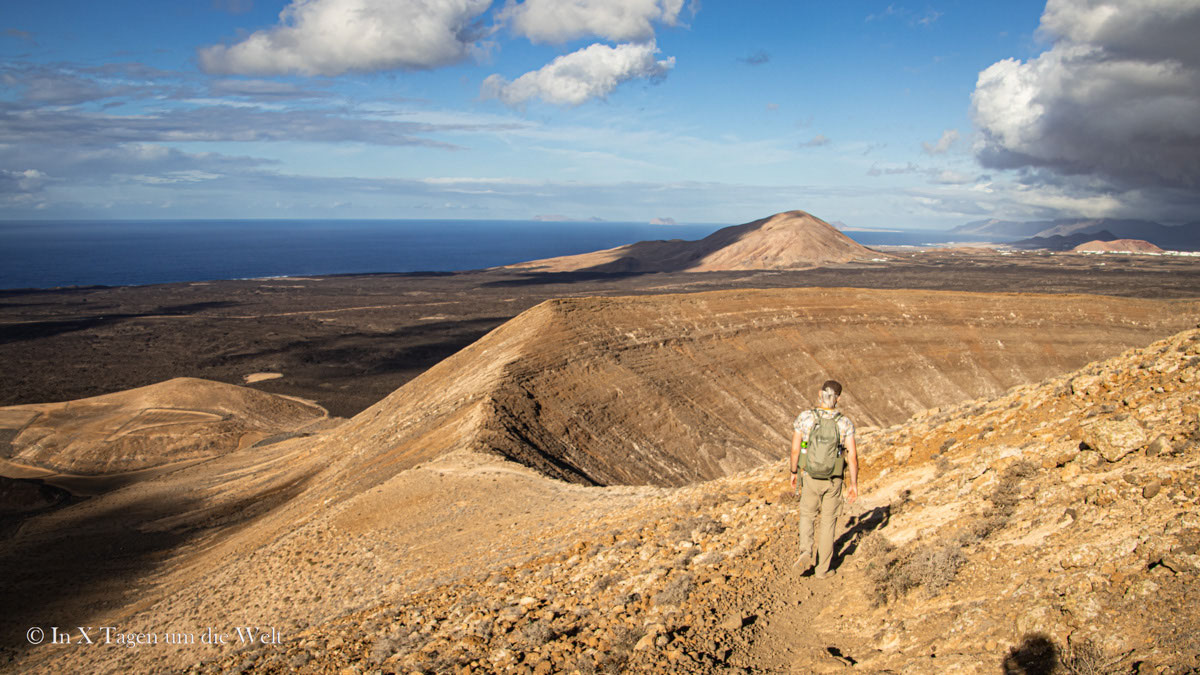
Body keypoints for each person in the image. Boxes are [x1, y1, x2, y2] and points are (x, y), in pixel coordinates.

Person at [789, 379, 859, 578]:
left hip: (810, 476)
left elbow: (795, 450)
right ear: (839, 398)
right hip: (833, 480)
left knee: (807, 515)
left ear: (820, 394)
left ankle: (805, 551)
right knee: (828, 522)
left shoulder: (805, 418)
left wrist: (794, 472)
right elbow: (852, 456)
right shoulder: (844, 423)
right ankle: (822, 570)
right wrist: (853, 484)